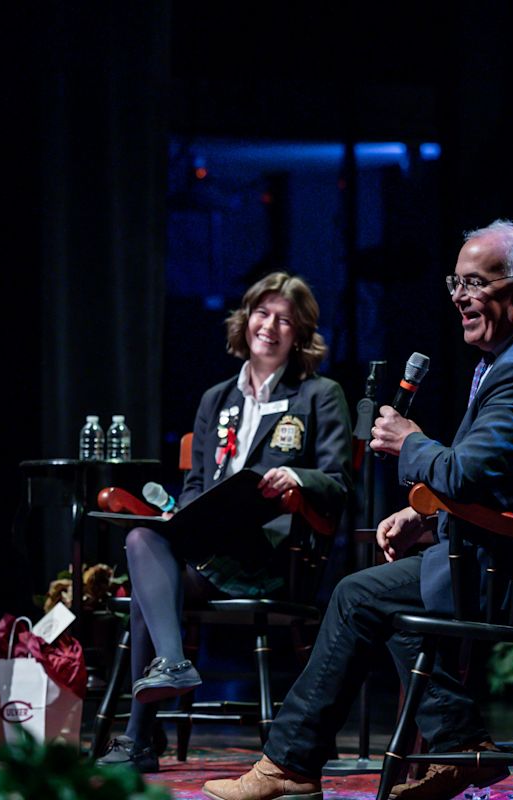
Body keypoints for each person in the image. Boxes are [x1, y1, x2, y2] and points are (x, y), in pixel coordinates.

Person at [202, 221, 513, 800]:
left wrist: (409, 441)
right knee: (391, 593)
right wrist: (427, 519)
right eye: (455, 283)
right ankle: (461, 748)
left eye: (475, 283)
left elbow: (465, 473)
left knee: (359, 596)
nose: (460, 297)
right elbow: (510, 481)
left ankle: (290, 765)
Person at [97, 272, 353, 773]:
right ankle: (171, 668)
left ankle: (140, 736)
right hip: (207, 550)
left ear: (300, 334)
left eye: (285, 320)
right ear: (246, 320)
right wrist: (183, 516)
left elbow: (339, 484)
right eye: (262, 313)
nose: (270, 327)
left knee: (148, 575)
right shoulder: (217, 399)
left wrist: (296, 477)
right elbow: (196, 485)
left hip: (269, 556)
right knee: (143, 538)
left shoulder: (319, 395)